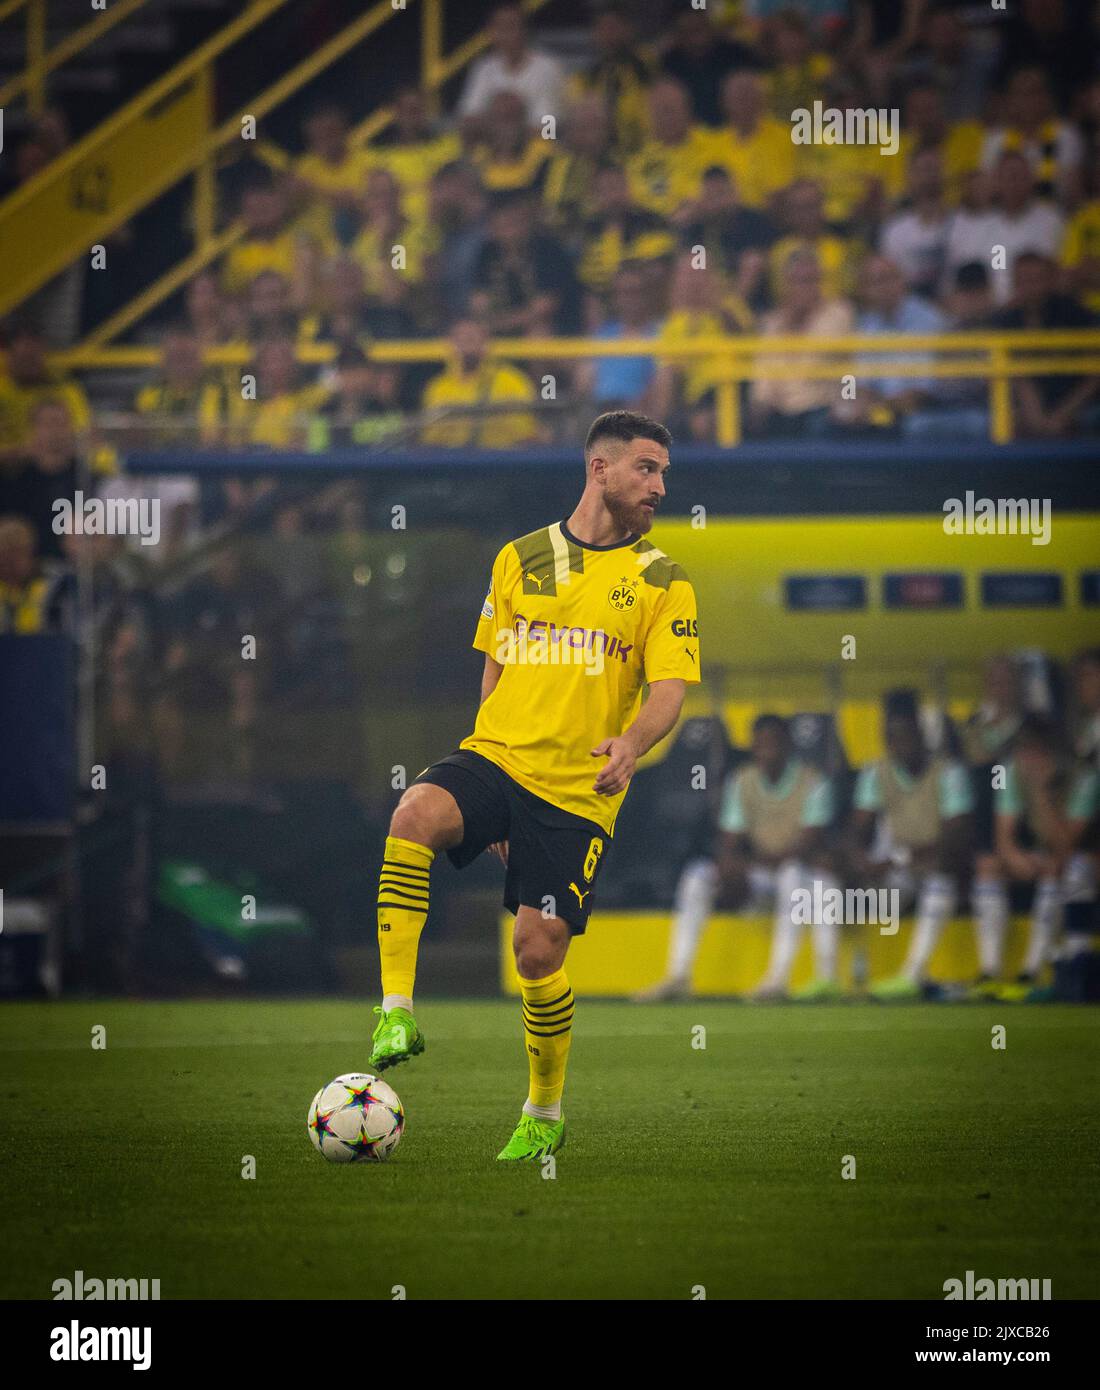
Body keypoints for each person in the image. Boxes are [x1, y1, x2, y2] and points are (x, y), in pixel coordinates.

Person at [365, 411, 699, 1160]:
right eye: (647, 469)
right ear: (599, 469)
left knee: (538, 951)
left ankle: (543, 1116)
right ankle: (396, 1010)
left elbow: (670, 691)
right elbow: (494, 667)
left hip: (576, 794)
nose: (660, 486)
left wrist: (632, 743)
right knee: (415, 811)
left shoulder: (662, 580)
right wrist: (487, 794)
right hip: (498, 756)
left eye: (665, 473)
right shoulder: (520, 557)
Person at [634, 714, 840, 1003]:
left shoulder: (813, 781)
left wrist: (747, 864)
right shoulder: (742, 780)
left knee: (793, 873)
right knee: (697, 875)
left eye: (774, 743)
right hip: (760, 874)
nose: (767, 751)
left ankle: (777, 979)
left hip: (798, 874)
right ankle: (678, 975)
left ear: (788, 745)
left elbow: (806, 844)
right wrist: (731, 867)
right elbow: (729, 841)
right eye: (760, 744)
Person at [849, 691, 974, 1000]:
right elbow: (858, 828)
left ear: (921, 737)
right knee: (843, 886)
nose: (899, 745)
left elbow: (954, 838)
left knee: (940, 880)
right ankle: (850, 975)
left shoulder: (949, 772)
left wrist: (897, 859)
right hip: (899, 873)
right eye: (893, 739)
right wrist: (859, 860)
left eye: (906, 737)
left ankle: (913, 974)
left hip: (938, 866)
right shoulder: (875, 772)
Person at [985, 715, 1100, 999]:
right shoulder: (1008, 773)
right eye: (1022, 750)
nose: (1027, 759)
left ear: (1052, 751)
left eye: (1034, 750)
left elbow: (1066, 843)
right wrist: (1016, 859)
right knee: (989, 866)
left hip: (1082, 860)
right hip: (1045, 856)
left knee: (1073, 866)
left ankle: (1040, 968)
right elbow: (1003, 838)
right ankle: (989, 971)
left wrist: (1041, 793)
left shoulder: (1084, 778)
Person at [456, 2, 565, 129]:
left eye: (510, 27)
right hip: (492, 143)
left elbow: (549, 124)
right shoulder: (484, 67)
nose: (505, 34)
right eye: (499, 28)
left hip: (539, 142)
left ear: (524, 30)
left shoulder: (547, 68)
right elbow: (469, 114)